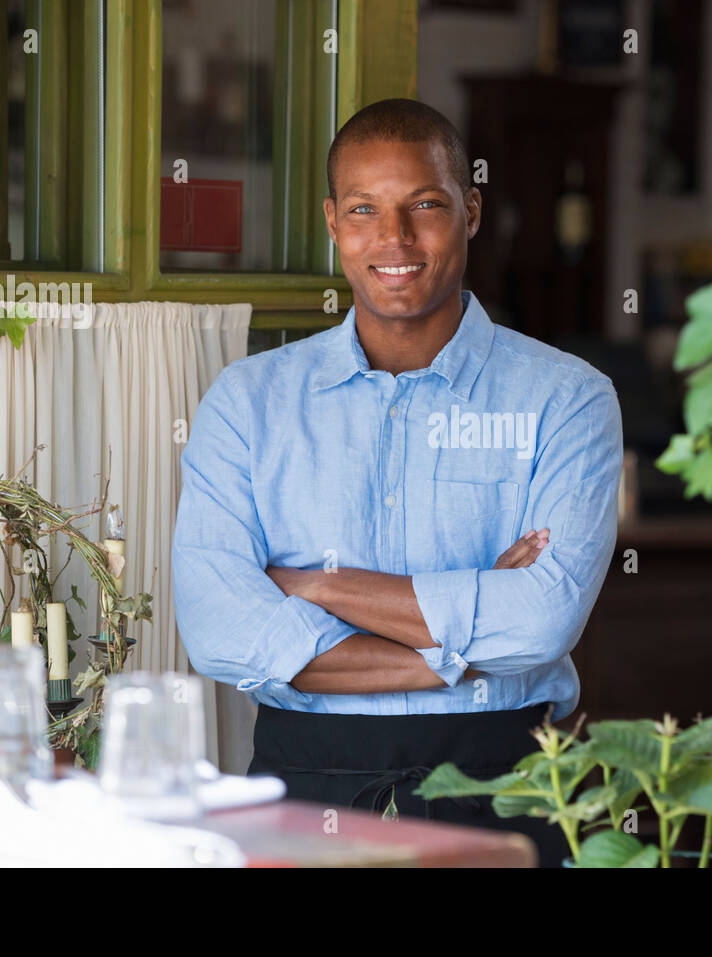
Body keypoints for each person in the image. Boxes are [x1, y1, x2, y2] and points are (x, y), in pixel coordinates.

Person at [172, 97, 623, 867]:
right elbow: (219, 629)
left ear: (471, 211)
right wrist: (454, 647)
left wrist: (314, 586)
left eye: (424, 206)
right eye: (364, 210)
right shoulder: (247, 403)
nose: (395, 240)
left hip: (506, 789)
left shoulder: (567, 397)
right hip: (301, 792)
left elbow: (542, 621)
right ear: (331, 221)